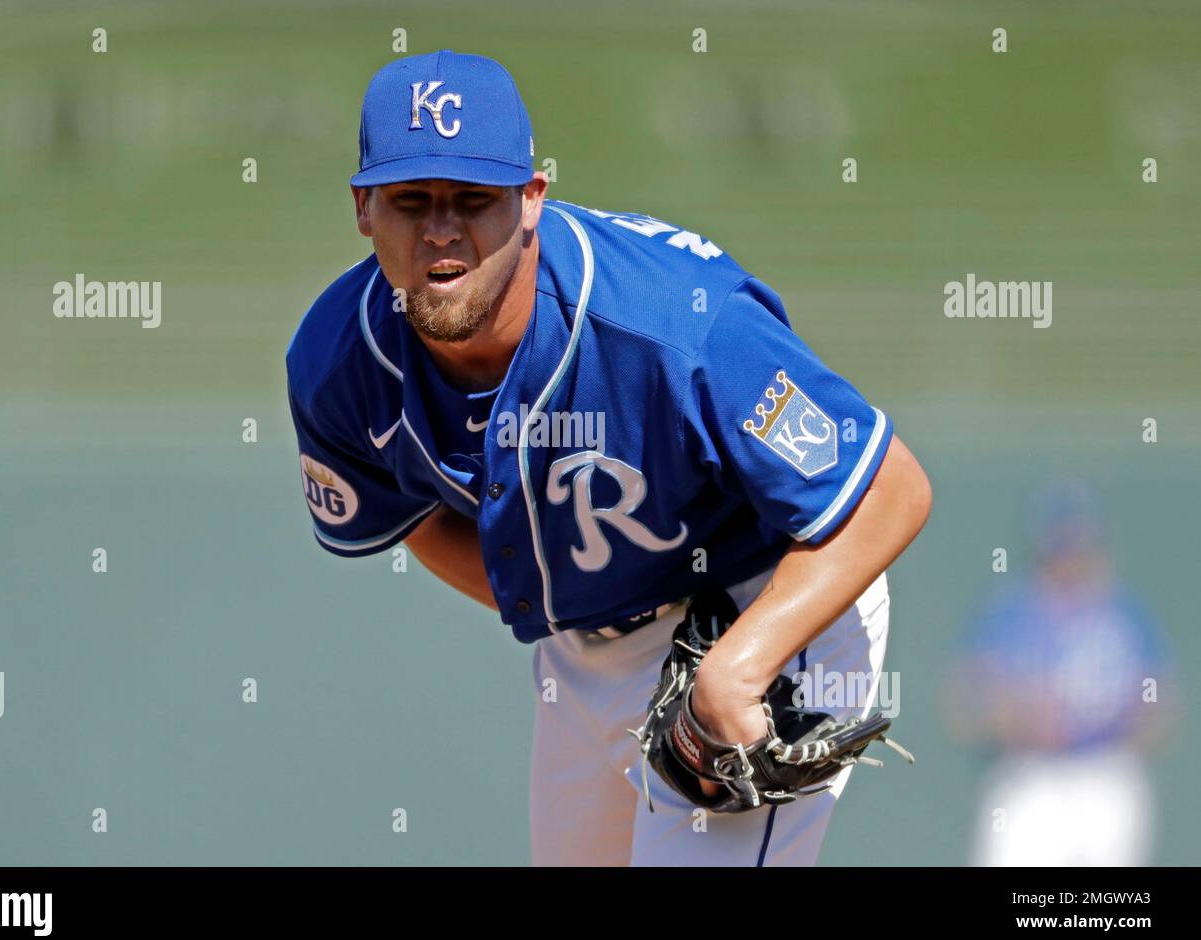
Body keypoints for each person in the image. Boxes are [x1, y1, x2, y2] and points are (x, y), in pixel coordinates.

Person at [286, 49, 932, 866]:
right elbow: (410, 514)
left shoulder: (676, 327)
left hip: (765, 602)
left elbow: (889, 489)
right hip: (582, 655)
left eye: (473, 200)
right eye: (412, 200)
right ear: (362, 209)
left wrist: (739, 663)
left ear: (530, 200)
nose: (442, 229)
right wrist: (569, 600)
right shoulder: (338, 360)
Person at [946, 480, 1174, 866]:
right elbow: (963, 695)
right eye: (1060, 545)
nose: (1068, 556)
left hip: (1106, 773)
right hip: (1030, 774)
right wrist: (1016, 720)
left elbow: (1161, 698)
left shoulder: (1123, 611)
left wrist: (1123, 737)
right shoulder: (1010, 610)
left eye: (1077, 544)